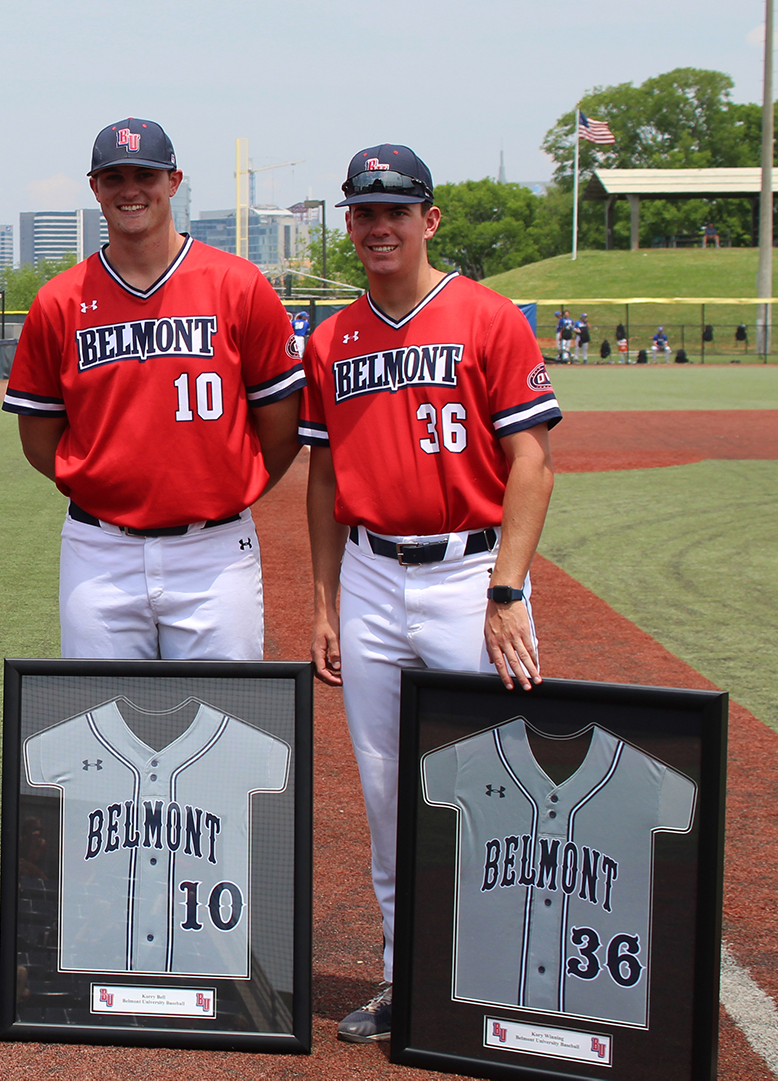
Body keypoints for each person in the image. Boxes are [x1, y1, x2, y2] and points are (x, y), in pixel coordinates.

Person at [299, 144, 559, 1043]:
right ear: (350, 224)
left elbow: (532, 460)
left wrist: (508, 588)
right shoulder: (330, 339)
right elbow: (325, 482)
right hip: (370, 576)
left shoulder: (487, 318)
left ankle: (504, 971)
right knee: (384, 791)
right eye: (364, 212)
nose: (379, 227)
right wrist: (326, 602)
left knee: (495, 780)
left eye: (396, 211)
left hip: (466, 574)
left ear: (429, 220)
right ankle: (404, 976)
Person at [3, 118, 302, 660]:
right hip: (100, 550)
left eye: (145, 174)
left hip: (214, 551)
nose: (130, 189)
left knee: (224, 724)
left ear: (174, 180)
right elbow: (39, 439)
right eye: (114, 177)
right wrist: (105, 486)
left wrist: (221, 490)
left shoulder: (238, 284)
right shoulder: (60, 300)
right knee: (100, 724)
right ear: (95, 187)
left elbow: (280, 431)